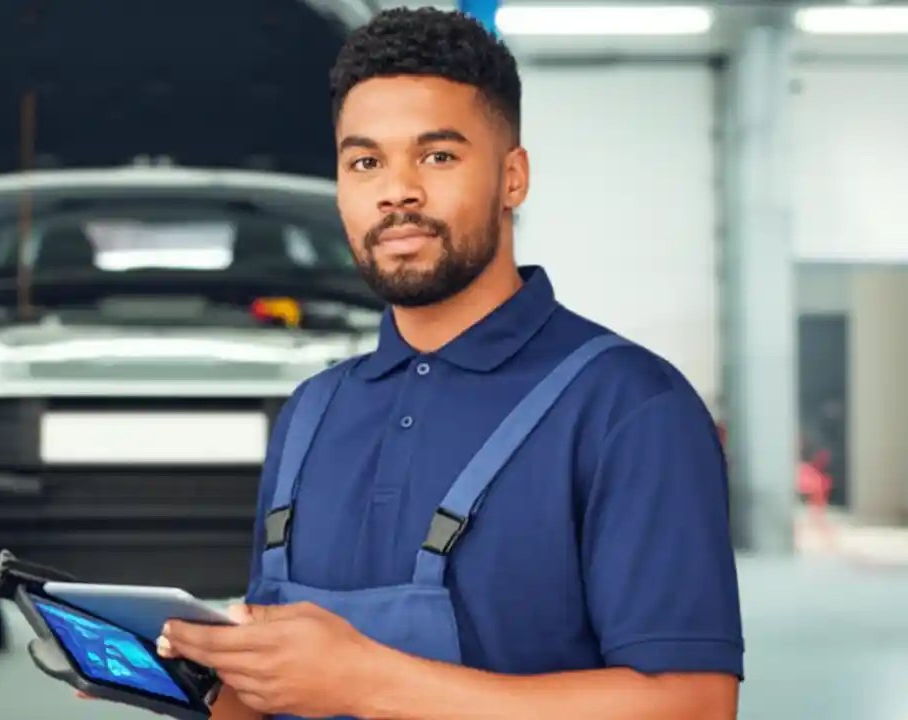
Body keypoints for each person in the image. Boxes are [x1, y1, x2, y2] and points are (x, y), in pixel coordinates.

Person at [158, 7, 744, 720]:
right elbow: (279, 693)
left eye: (437, 156)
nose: (396, 190)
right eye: (365, 161)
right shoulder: (311, 412)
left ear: (513, 178)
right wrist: (207, 681)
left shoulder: (629, 408)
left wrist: (366, 681)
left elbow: (694, 706)